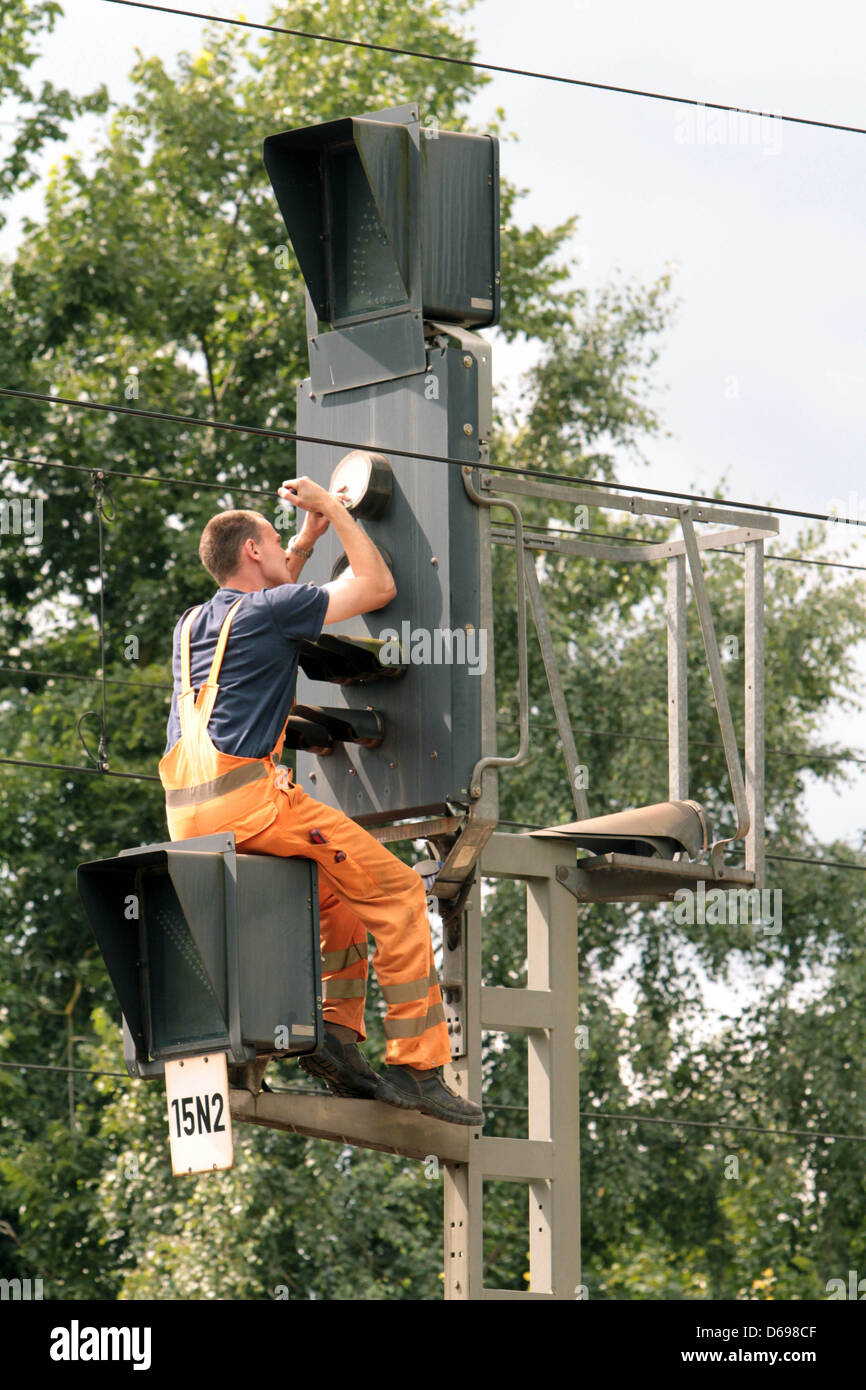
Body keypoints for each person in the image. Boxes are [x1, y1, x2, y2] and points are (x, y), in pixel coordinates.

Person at [159, 467, 483, 1126]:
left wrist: (302, 538)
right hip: (250, 802)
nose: (287, 550)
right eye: (277, 542)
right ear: (253, 551)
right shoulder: (272, 612)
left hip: (188, 813)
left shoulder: (193, 625)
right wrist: (336, 514)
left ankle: (335, 1029)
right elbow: (376, 586)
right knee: (393, 891)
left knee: (337, 886)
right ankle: (418, 1068)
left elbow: (278, 591)